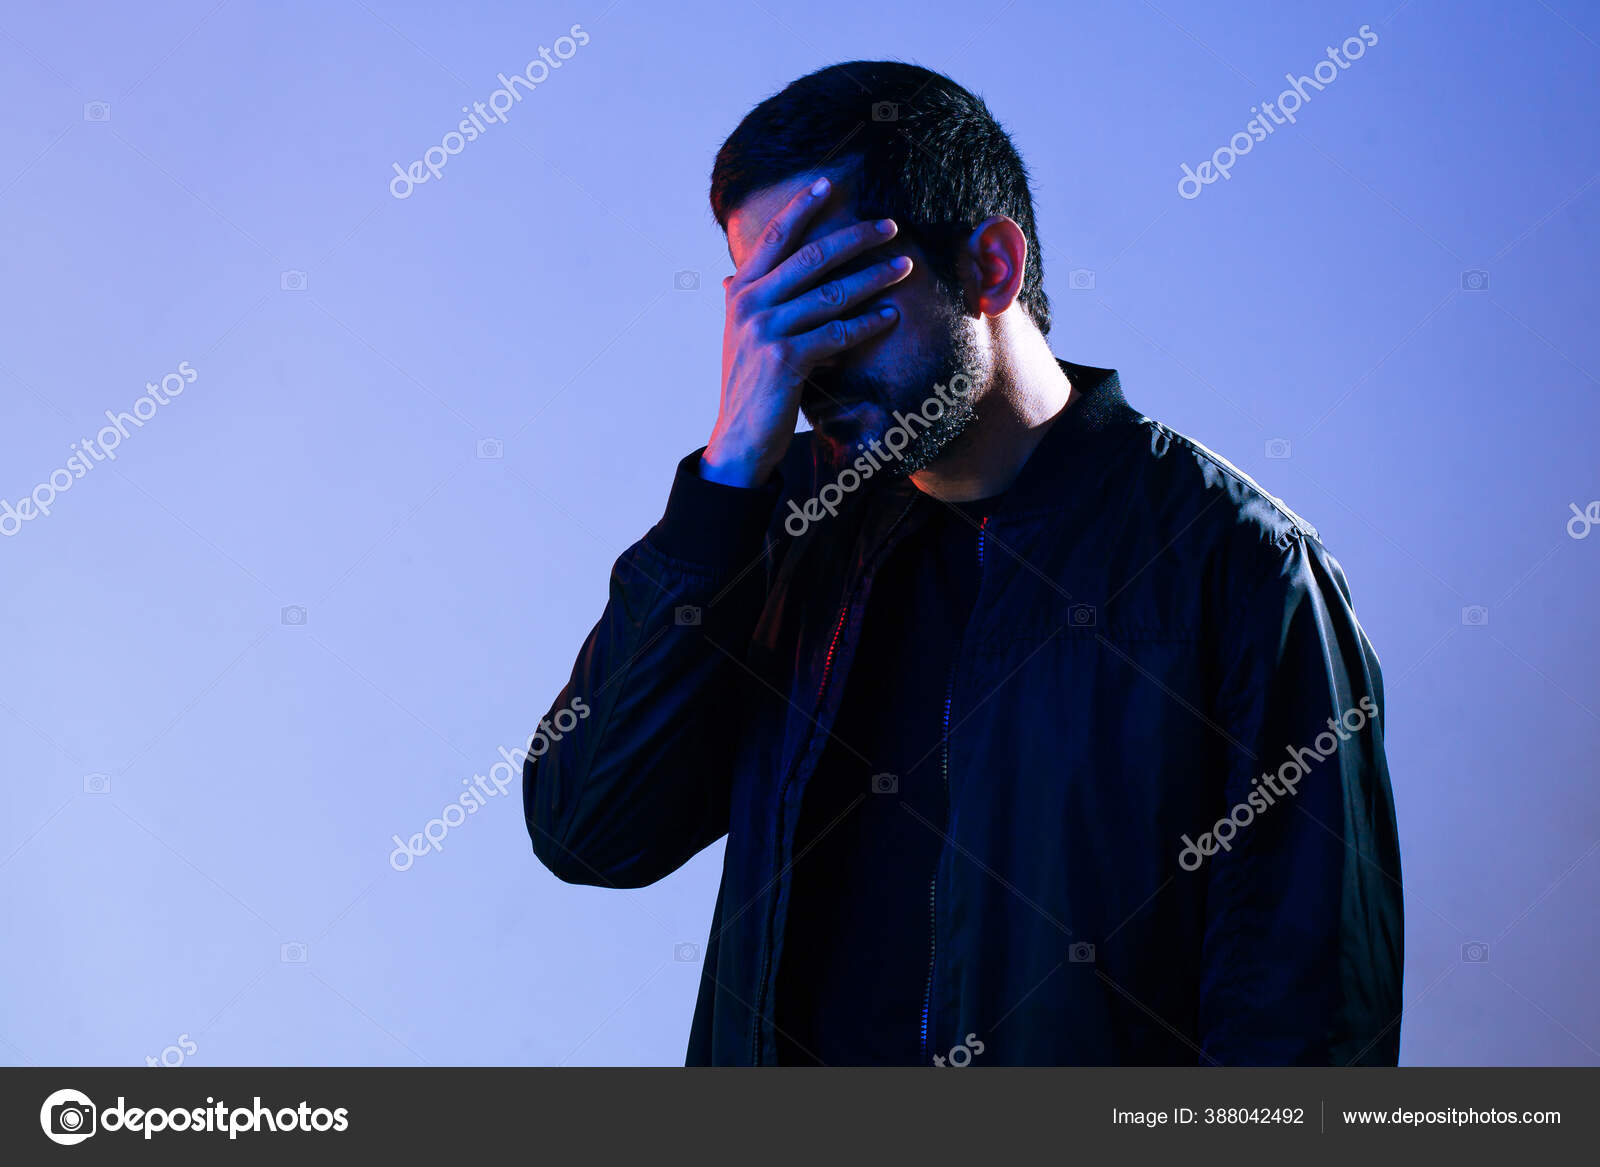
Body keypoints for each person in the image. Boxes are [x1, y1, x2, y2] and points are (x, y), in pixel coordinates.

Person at [522, 60, 1403, 1066]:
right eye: (767, 311)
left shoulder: (1233, 564)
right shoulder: (773, 524)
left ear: (988, 265)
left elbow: (1306, 1024)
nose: (800, 360)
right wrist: (725, 480)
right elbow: (591, 830)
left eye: (835, 296)